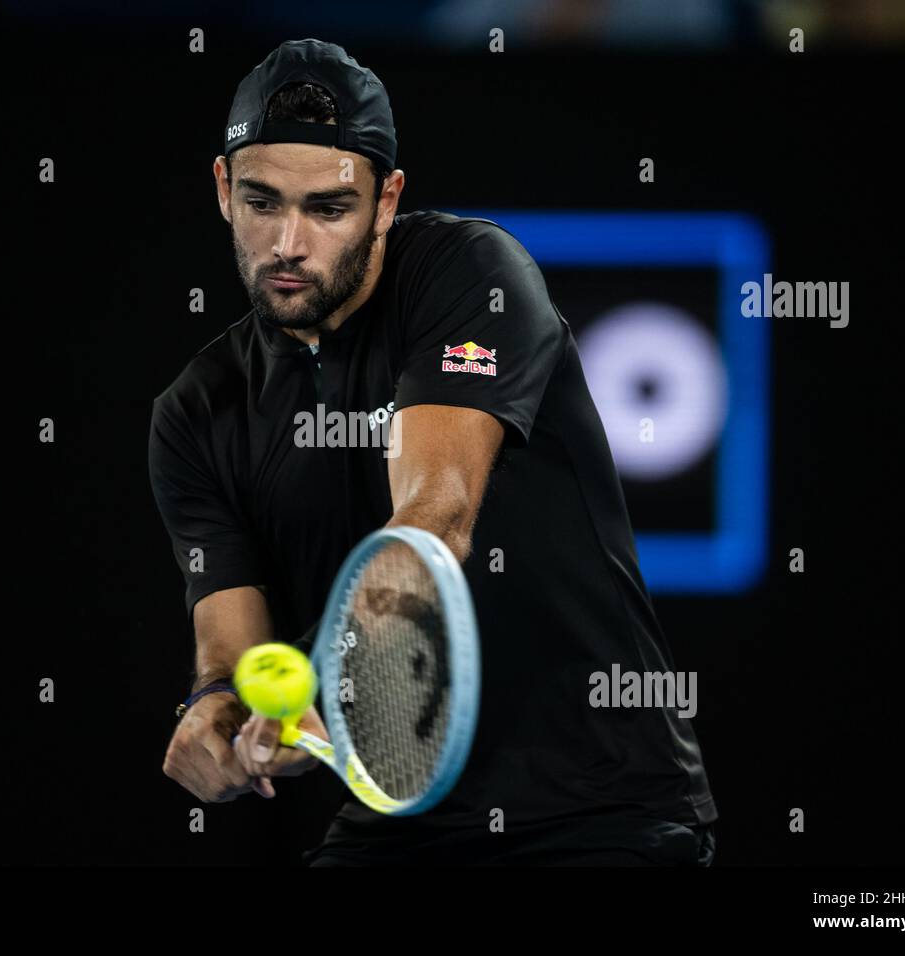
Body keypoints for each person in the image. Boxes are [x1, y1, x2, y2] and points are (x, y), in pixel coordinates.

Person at [150, 38, 717, 865]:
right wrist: (214, 713)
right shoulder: (195, 413)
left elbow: (434, 520)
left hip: (603, 811)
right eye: (262, 202)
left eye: (330, 209)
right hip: (394, 820)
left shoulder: (470, 274)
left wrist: (321, 680)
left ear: (387, 201)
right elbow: (232, 654)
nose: (287, 244)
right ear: (222, 190)